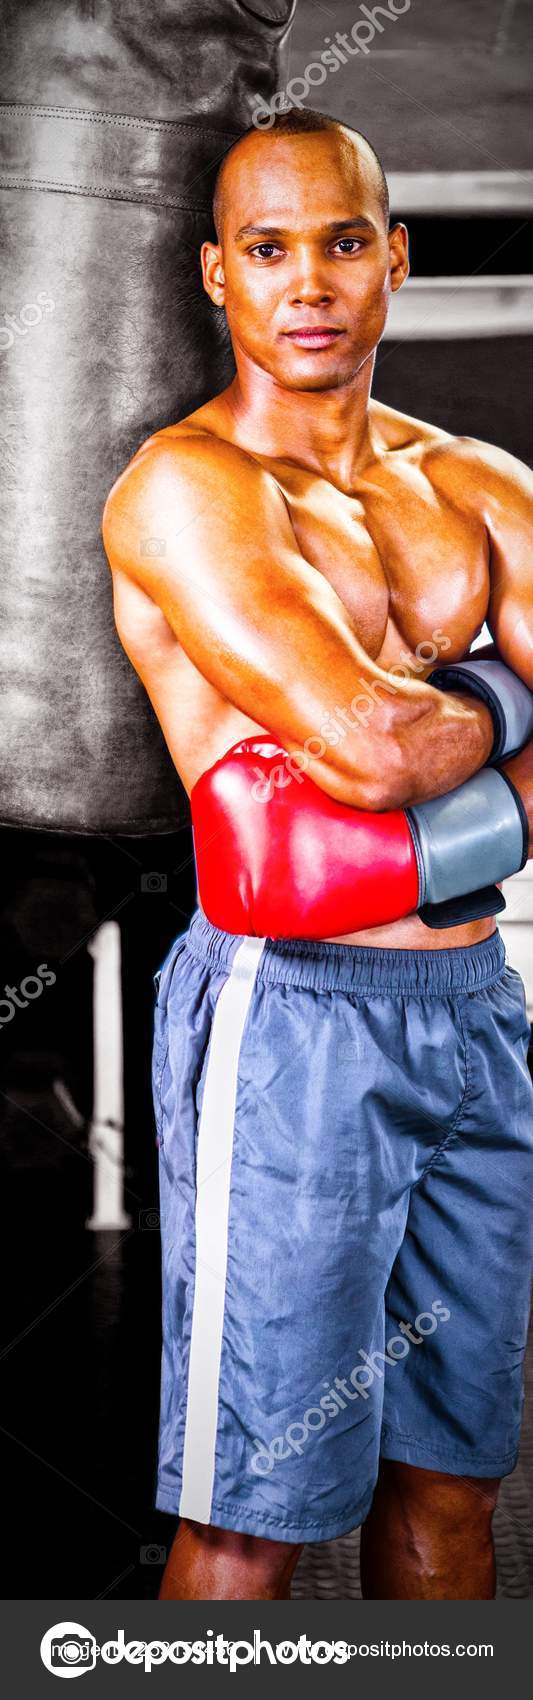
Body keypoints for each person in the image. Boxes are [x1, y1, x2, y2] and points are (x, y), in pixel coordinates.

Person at [102, 111, 533, 1601]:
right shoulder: (189, 490)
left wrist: (425, 786)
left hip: (476, 1017)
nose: (309, 282)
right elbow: (370, 745)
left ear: (394, 258)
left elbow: (384, 771)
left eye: (343, 241)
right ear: (216, 274)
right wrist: (501, 712)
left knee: (455, 1489)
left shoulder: (478, 482)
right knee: (252, 1514)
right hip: (291, 1022)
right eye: (269, 249)